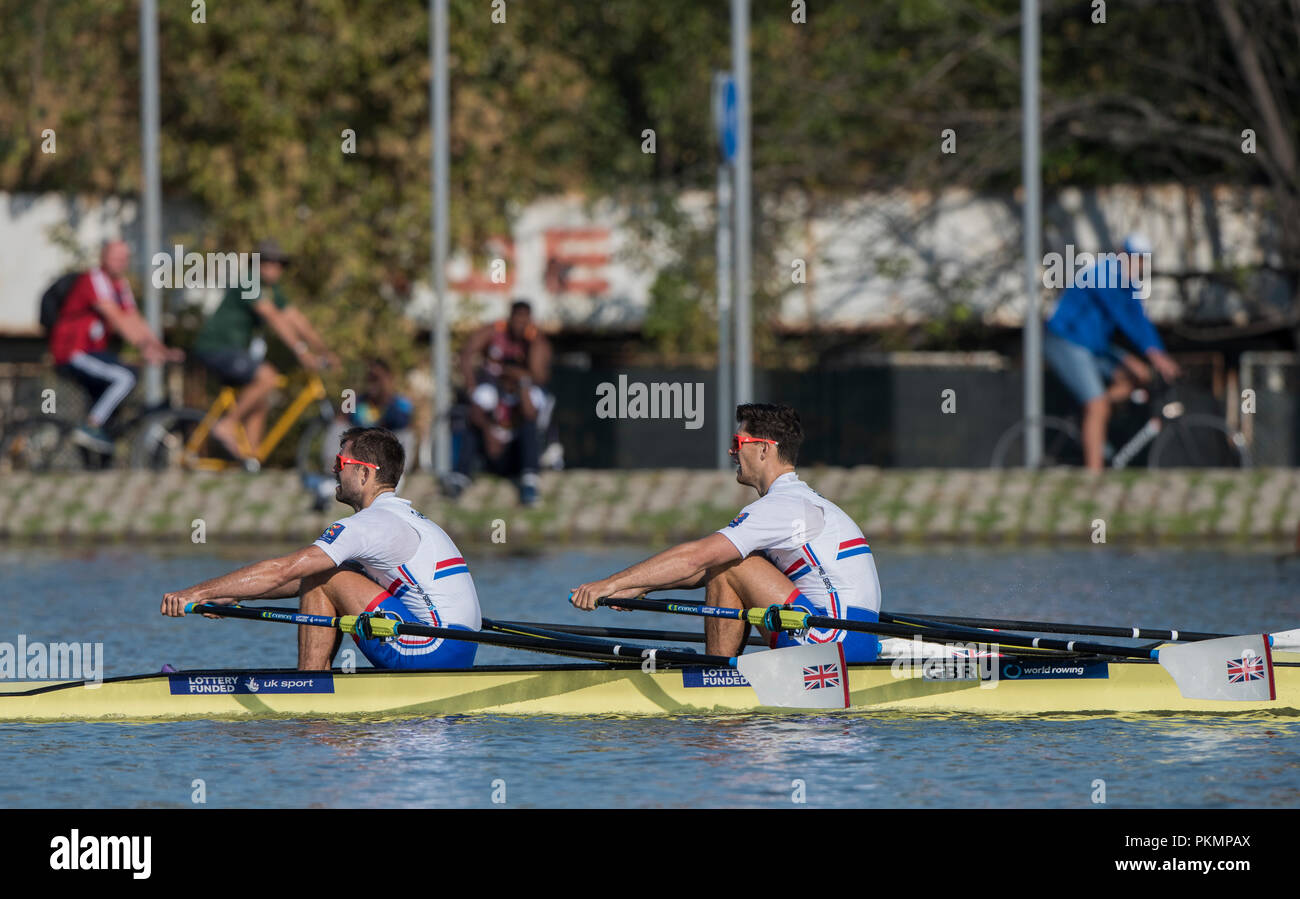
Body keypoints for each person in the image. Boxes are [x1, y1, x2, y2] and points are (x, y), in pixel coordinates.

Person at [569, 403, 882, 660]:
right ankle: (724, 671)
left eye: (737, 444)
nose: (732, 453)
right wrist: (642, 588)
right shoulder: (801, 502)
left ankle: (715, 674)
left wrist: (609, 583)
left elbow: (697, 558)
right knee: (731, 561)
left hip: (832, 645)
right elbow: (705, 572)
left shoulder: (783, 506)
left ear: (764, 450)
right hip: (854, 643)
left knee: (729, 561)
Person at [161, 427, 482, 671]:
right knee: (326, 573)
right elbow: (294, 580)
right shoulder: (407, 518)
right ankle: (318, 683)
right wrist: (238, 594)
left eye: (341, 462)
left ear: (365, 472)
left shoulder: (369, 525)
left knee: (323, 574)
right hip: (459, 649)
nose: (334, 470)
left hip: (432, 649)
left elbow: (285, 570)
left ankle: (310, 684)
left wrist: (197, 592)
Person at [192, 239, 337, 464]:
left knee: (261, 397)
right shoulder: (249, 281)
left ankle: (251, 459)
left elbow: (296, 319)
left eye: (279, 264)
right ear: (258, 263)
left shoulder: (271, 290)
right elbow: (274, 318)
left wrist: (325, 351)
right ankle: (226, 426)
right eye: (270, 262)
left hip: (233, 351)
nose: (276, 268)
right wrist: (302, 352)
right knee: (268, 377)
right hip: (216, 348)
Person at [1044, 233, 1181, 471]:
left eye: (1141, 259)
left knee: (1139, 376)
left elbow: (1140, 320)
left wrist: (1160, 353)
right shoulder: (1103, 274)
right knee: (1098, 405)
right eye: (1132, 257)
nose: (1137, 263)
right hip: (1066, 341)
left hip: (1093, 345)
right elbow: (1125, 318)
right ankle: (1094, 475)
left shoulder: (1128, 283)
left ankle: (1094, 416)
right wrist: (1155, 356)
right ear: (1120, 254)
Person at [48, 239, 184, 452]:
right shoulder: (95, 279)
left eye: (125, 258)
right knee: (125, 377)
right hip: (74, 352)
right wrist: (146, 348)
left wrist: (160, 349)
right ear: (103, 257)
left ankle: (98, 449)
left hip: (95, 353)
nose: (121, 262)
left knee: (125, 385)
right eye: (116, 257)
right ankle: (91, 425)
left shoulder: (120, 285)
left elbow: (133, 318)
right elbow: (117, 317)